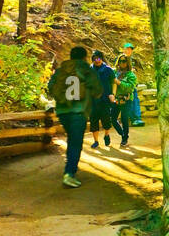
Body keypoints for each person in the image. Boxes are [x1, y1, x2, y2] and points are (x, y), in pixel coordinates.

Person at [46, 46, 103, 188]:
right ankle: (69, 174)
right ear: (84, 57)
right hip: (79, 112)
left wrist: (63, 98)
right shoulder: (86, 69)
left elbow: (51, 86)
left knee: (72, 140)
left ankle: (70, 170)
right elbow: (98, 90)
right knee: (75, 143)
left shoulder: (61, 70)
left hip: (63, 112)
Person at [89, 51, 116, 149]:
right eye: (95, 59)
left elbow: (113, 82)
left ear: (101, 58)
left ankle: (107, 135)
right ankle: (96, 141)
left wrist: (112, 94)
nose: (97, 60)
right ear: (93, 59)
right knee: (93, 121)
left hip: (105, 99)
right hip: (93, 101)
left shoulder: (108, 69)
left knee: (106, 120)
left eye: (99, 58)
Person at [112, 54, 138, 147]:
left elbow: (130, 88)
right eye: (120, 61)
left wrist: (118, 82)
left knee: (124, 119)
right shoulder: (114, 73)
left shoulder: (131, 75)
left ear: (128, 63)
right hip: (116, 99)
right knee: (113, 119)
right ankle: (122, 133)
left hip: (127, 100)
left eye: (124, 61)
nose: (122, 63)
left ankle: (124, 138)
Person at [116, 42, 144, 125]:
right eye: (127, 49)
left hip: (131, 84)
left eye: (130, 49)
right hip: (121, 84)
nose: (128, 51)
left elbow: (140, 72)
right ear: (124, 49)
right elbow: (116, 70)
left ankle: (136, 118)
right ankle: (118, 118)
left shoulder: (135, 60)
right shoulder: (120, 59)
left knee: (134, 100)